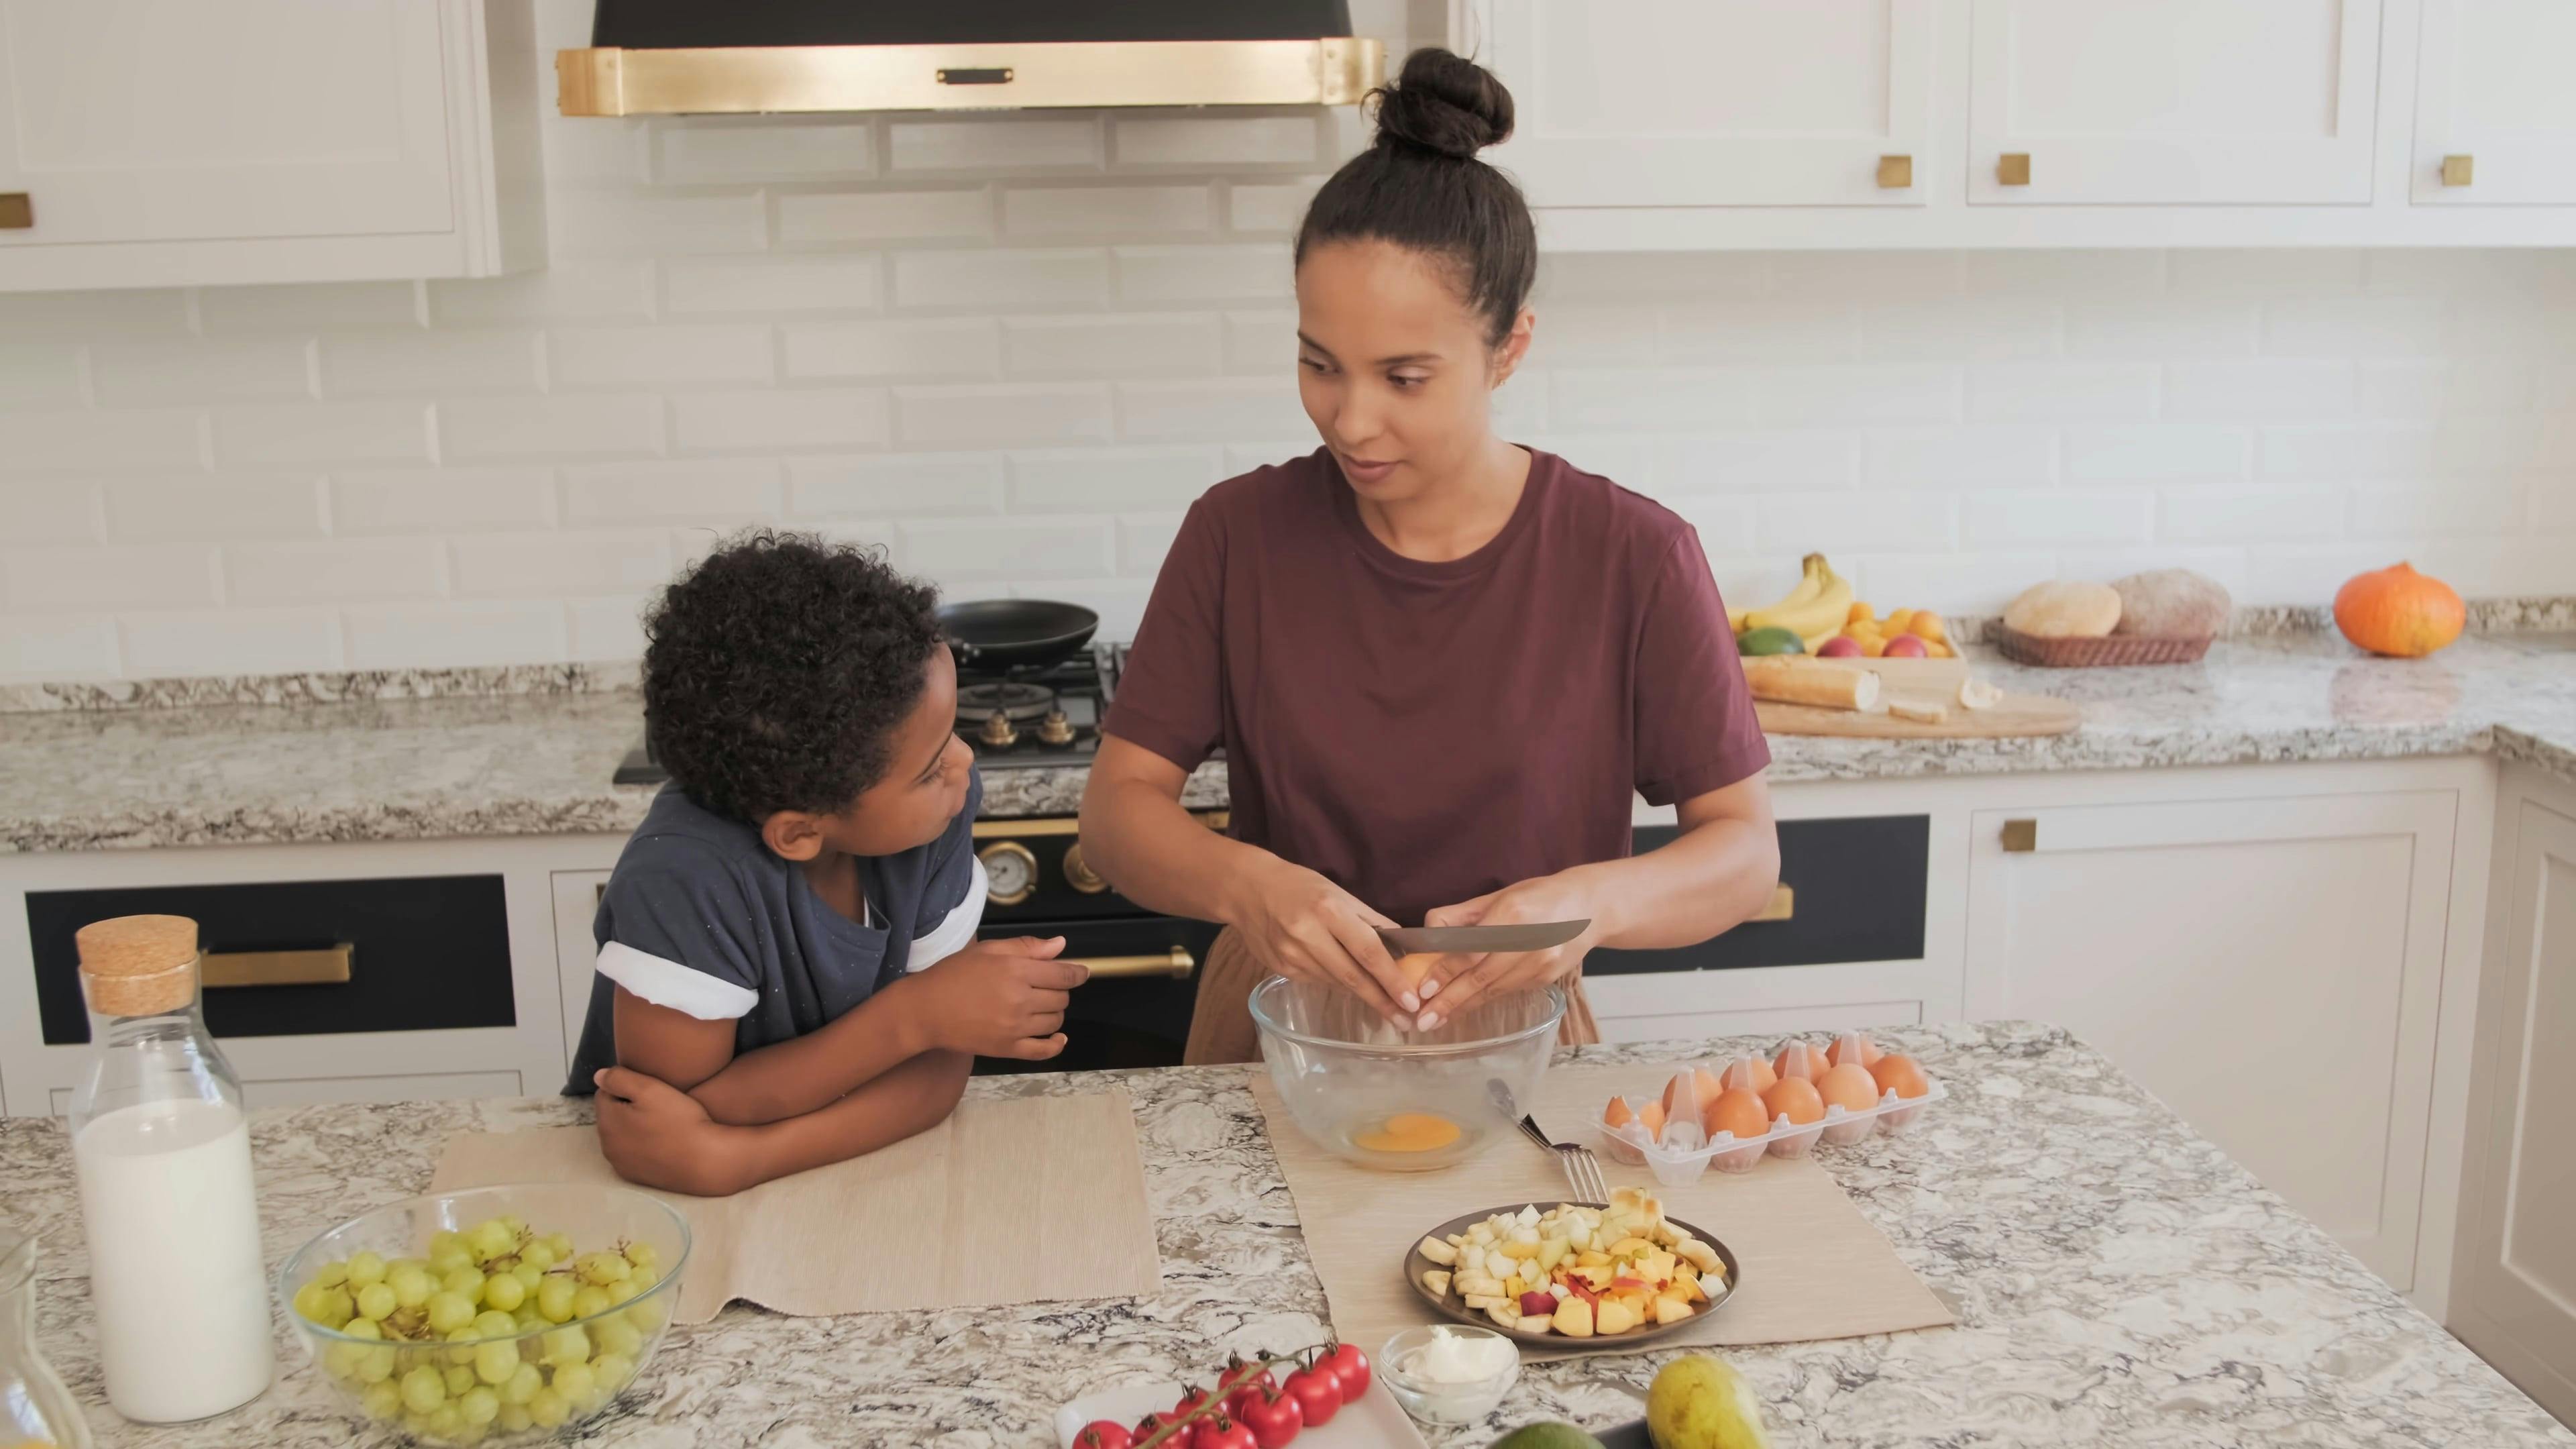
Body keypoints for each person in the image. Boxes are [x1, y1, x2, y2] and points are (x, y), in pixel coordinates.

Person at [1078, 48, 1780, 1063]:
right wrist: (1247, 884)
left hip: (1519, 1039)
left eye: (1405, 377)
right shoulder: (1238, 535)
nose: (1350, 420)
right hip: (1275, 1033)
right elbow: (1115, 814)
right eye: (1320, 365)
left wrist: (1591, 903)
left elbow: (1743, 850)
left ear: (1510, 349)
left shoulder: (1634, 555)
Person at [568, 531, 1088, 1194]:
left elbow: (938, 1078)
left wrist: (744, 1159)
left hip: (824, 1179)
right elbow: (665, 1122)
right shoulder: (686, 879)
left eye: (952, 734)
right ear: (801, 833)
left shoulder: (933, 819)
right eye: (930, 769)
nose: (965, 763)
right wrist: (916, 1017)